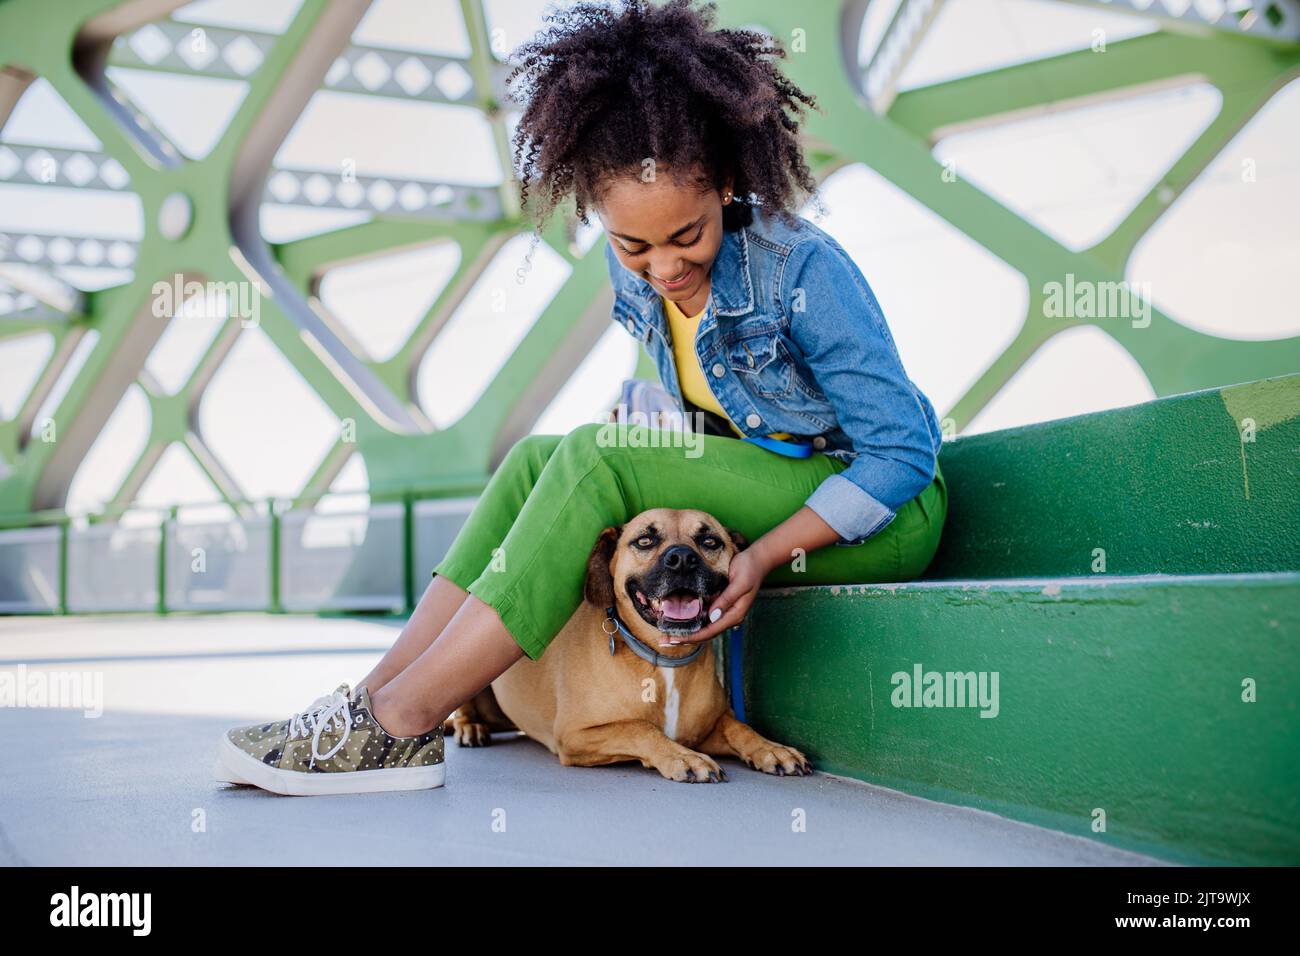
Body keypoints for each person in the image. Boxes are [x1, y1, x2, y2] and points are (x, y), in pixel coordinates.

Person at [214, 0, 946, 796]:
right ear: (599, 215)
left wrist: (764, 554)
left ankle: (405, 718)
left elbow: (902, 454)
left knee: (595, 456)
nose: (662, 268)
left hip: (877, 516)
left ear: (727, 184)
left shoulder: (799, 267)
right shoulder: (627, 273)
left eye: (687, 236)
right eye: (634, 245)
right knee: (538, 456)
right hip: (770, 488)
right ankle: (373, 700)